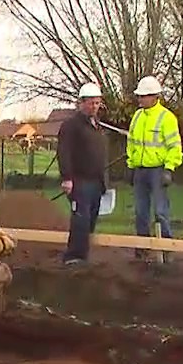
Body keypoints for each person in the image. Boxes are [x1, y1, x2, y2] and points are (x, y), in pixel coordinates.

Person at [126, 75, 182, 254]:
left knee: (160, 211)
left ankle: (166, 248)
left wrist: (169, 169)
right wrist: (131, 166)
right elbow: (131, 143)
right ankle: (142, 247)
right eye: (139, 96)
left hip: (158, 170)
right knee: (140, 212)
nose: (140, 99)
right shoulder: (137, 117)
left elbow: (174, 146)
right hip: (140, 171)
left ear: (154, 96)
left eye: (143, 96)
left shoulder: (167, 118)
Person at [56, 82, 109, 265]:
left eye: (97, 103)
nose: (94, 106)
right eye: (91, 103)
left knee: (91, 219)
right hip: (80, 181)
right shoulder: (71, 125)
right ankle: (74, 257)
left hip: (96, 181)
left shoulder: (96, 125)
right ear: (82, 103)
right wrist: (67, 178)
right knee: (81, 218)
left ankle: (83, 255)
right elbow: (64, 152)